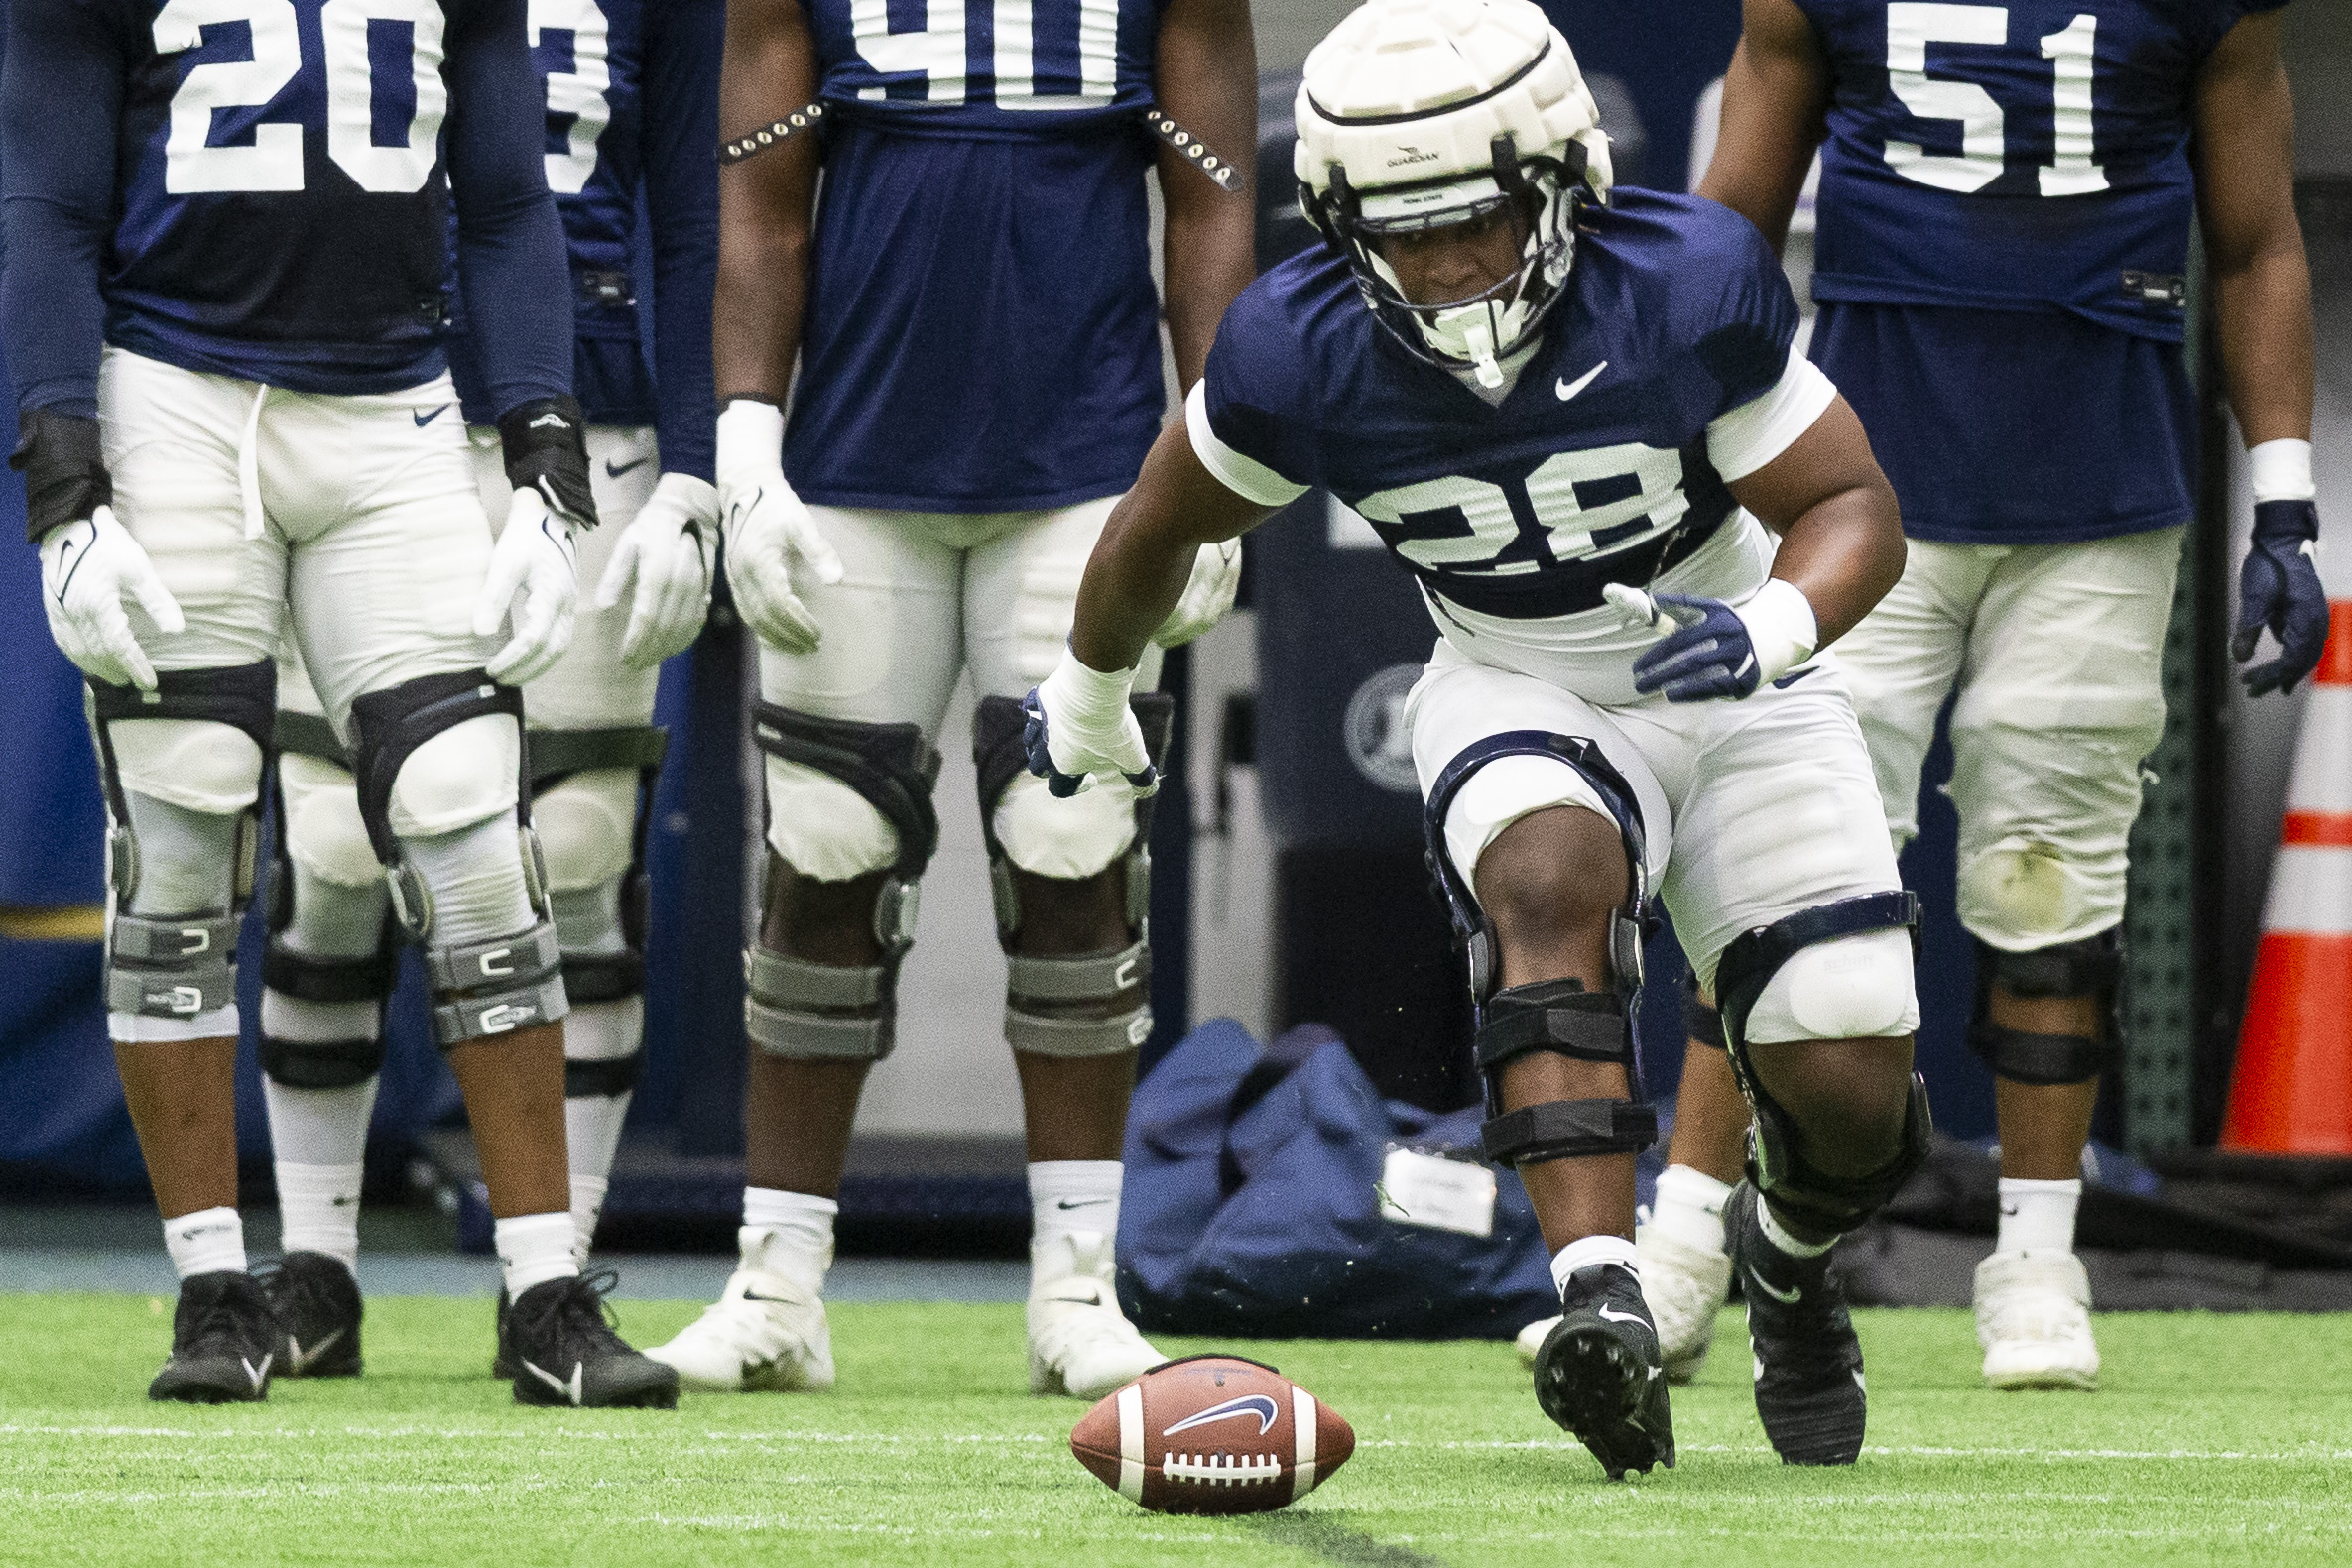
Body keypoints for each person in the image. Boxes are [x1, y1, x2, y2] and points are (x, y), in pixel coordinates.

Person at [1028, 0, 1937, 1474]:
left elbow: (1855, 512)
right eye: (1405, 227)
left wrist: (1771, 627)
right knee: (1544, 879)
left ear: (1564, 176)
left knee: (1850, 1090)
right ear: (1337, 217)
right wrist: (1087, 694)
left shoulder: (1685, 282)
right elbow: (1153, 526)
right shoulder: (1291, 346)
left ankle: (1785, 1260)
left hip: (1733, 663)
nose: (1448, 263)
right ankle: (1602, 1299)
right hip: (1514, 672)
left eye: (1481, 219)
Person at [1628, 0, 2321, 1393]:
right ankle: (1687, 1238)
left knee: (2052, 874)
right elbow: (1725, 233)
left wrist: (2288, 496)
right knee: (1774, 869)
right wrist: (1671, 440)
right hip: (1861, 486)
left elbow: (2255, 238)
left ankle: (2038, 1251)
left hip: (2099, 487)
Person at [3, 0, 676, 1408]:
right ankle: (213, 1285)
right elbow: (49, 196)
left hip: (393, 414)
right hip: (173, 394)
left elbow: (501, 203)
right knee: (182, 833)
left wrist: (542, 434)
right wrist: (64, 473)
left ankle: (544, 1288)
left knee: (475, 827)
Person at [645, 0, 1256, 1398]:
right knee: (823, 856)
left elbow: (1212, 201)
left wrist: (1215, 447)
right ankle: (777, 1282)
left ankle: (1078, 1283)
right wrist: (746, 440)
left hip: (1090, 456)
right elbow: (759, 194)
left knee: (1075, 846)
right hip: (858, 451)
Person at [253, 0, 724, 1387]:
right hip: (355, 402)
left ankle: (554, 1283)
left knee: (575, 856)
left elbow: (694, 215)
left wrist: (696, 465)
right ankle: (317, 1265)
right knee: (333, 853)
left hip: (590, 409)